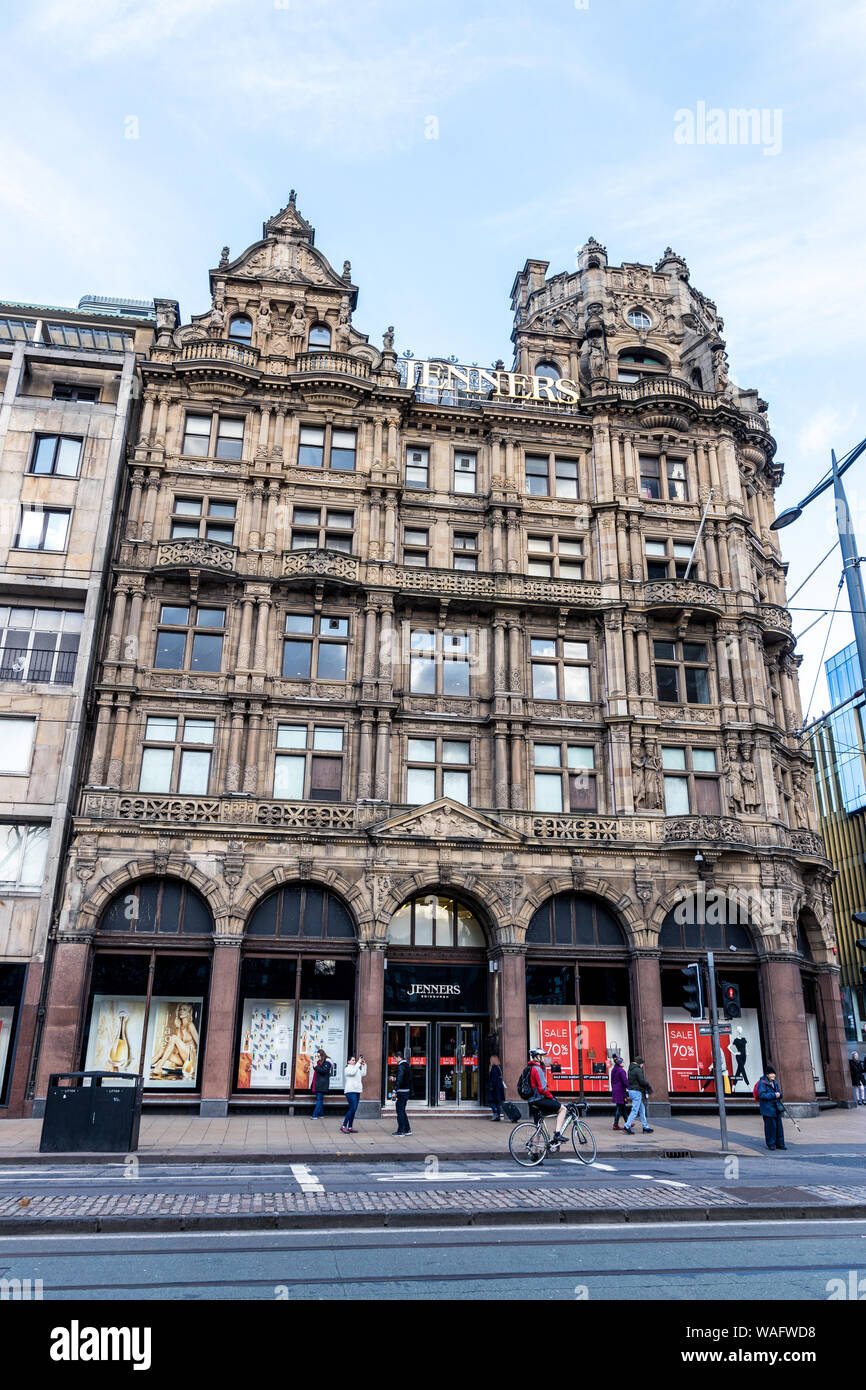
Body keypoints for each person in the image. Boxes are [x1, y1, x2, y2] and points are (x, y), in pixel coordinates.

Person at [528, 1048, 569, 1149]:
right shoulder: (537, 1069)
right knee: (563, 1109)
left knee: (538, 1127)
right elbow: (542, 1089)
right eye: (542, 1056)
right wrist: (552, 1097)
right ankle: (557, 1134)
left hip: (532, 1100)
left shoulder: (530, 1068)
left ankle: (535, 1153)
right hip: (539, 1099)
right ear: (537, 1057)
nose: (544, 1058)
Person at [756, 1065, 786, 1150]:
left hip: (776, 1108)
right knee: (770, 1128)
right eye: (771, 1074)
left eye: (774, 1074)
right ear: (767, 1075)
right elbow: (762, 1095)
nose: (773, 1075)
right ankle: (771, 1144)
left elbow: (780, 1093)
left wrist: (779, 1095)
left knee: (779, 1127)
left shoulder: (775, 1082)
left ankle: (780, 1144)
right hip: (767, 1109)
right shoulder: (762, 1083)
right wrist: (774, 1095)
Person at [624, 1056, 655, 1134]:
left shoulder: (630, 1069)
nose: (642, 1066)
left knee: (642, 1109)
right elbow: (642, 1081)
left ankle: (645, 1126)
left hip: (631, 1091)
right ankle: (627, 1126)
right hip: (636, 1092)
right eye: (642, 1064)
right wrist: (648, 1086)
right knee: (635, 1110)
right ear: (640, 1063)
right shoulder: (637, 1069)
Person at [341, 1054, 367, 1133]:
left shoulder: (356, 1068)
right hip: (350, 1091)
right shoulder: (347, 1068)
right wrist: (358, 1063)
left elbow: (363, 1074)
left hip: (357, 1091)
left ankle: (350, 1127)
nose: (354, 1061)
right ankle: (344, 1126)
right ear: (348, 1061)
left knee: (354, 1109)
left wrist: (364, 1065)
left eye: (354, 1060)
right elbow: (352, 1073)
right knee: (352, 1108)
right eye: (352, 1060)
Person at [392, 1050, 412, 1136]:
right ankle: (407, 1129)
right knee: (403, 1111)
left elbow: (400, 1078)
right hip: (407, 1091)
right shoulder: (407, 1065)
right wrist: (395, 1079)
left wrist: (394, 1090)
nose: (395, 1060)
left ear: (398, 1057)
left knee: (400, 1111)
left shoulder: (401, 1066)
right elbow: (405, 1078)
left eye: (395, 1058)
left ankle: (401, 1131)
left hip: (401, 1092)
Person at [610, 1054, 630, 1130]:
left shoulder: (614, 1070)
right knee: (619, 1108)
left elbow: (612, 1081)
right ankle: (615, 1124)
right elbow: (625, 1081)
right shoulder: (621, 1071)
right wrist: (629, 1087)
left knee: (623, 1107)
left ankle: (628, 1122)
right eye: (622, 1062)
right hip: (621, 1091)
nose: (624, 1063)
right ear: (620, 1063)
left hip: (616, 1090)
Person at [311, 1049, 331, 1118]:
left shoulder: (327, 1062)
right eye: (317, 1056)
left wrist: (315, 1067)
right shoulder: (319, 1061)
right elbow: (319, 1070)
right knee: (320, 1099)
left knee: (319, 1100)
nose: (318, 1057)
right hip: (318, 1083)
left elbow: (324, 1071)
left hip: (321, 1084)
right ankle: (321, 1114)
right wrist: (315, 1066)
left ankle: (314, 1115)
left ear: (322, 1055)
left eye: (319, 1056)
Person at [486, 1054, 506, 1120]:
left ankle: (495, 1114)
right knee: (497, 1102)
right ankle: (498, 1115)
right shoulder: (499, 1067)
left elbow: (494, 1079)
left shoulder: (494, 1068)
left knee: (491, 1101)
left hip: (495, 1087)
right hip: (499, 1087)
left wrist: (491, 1087)